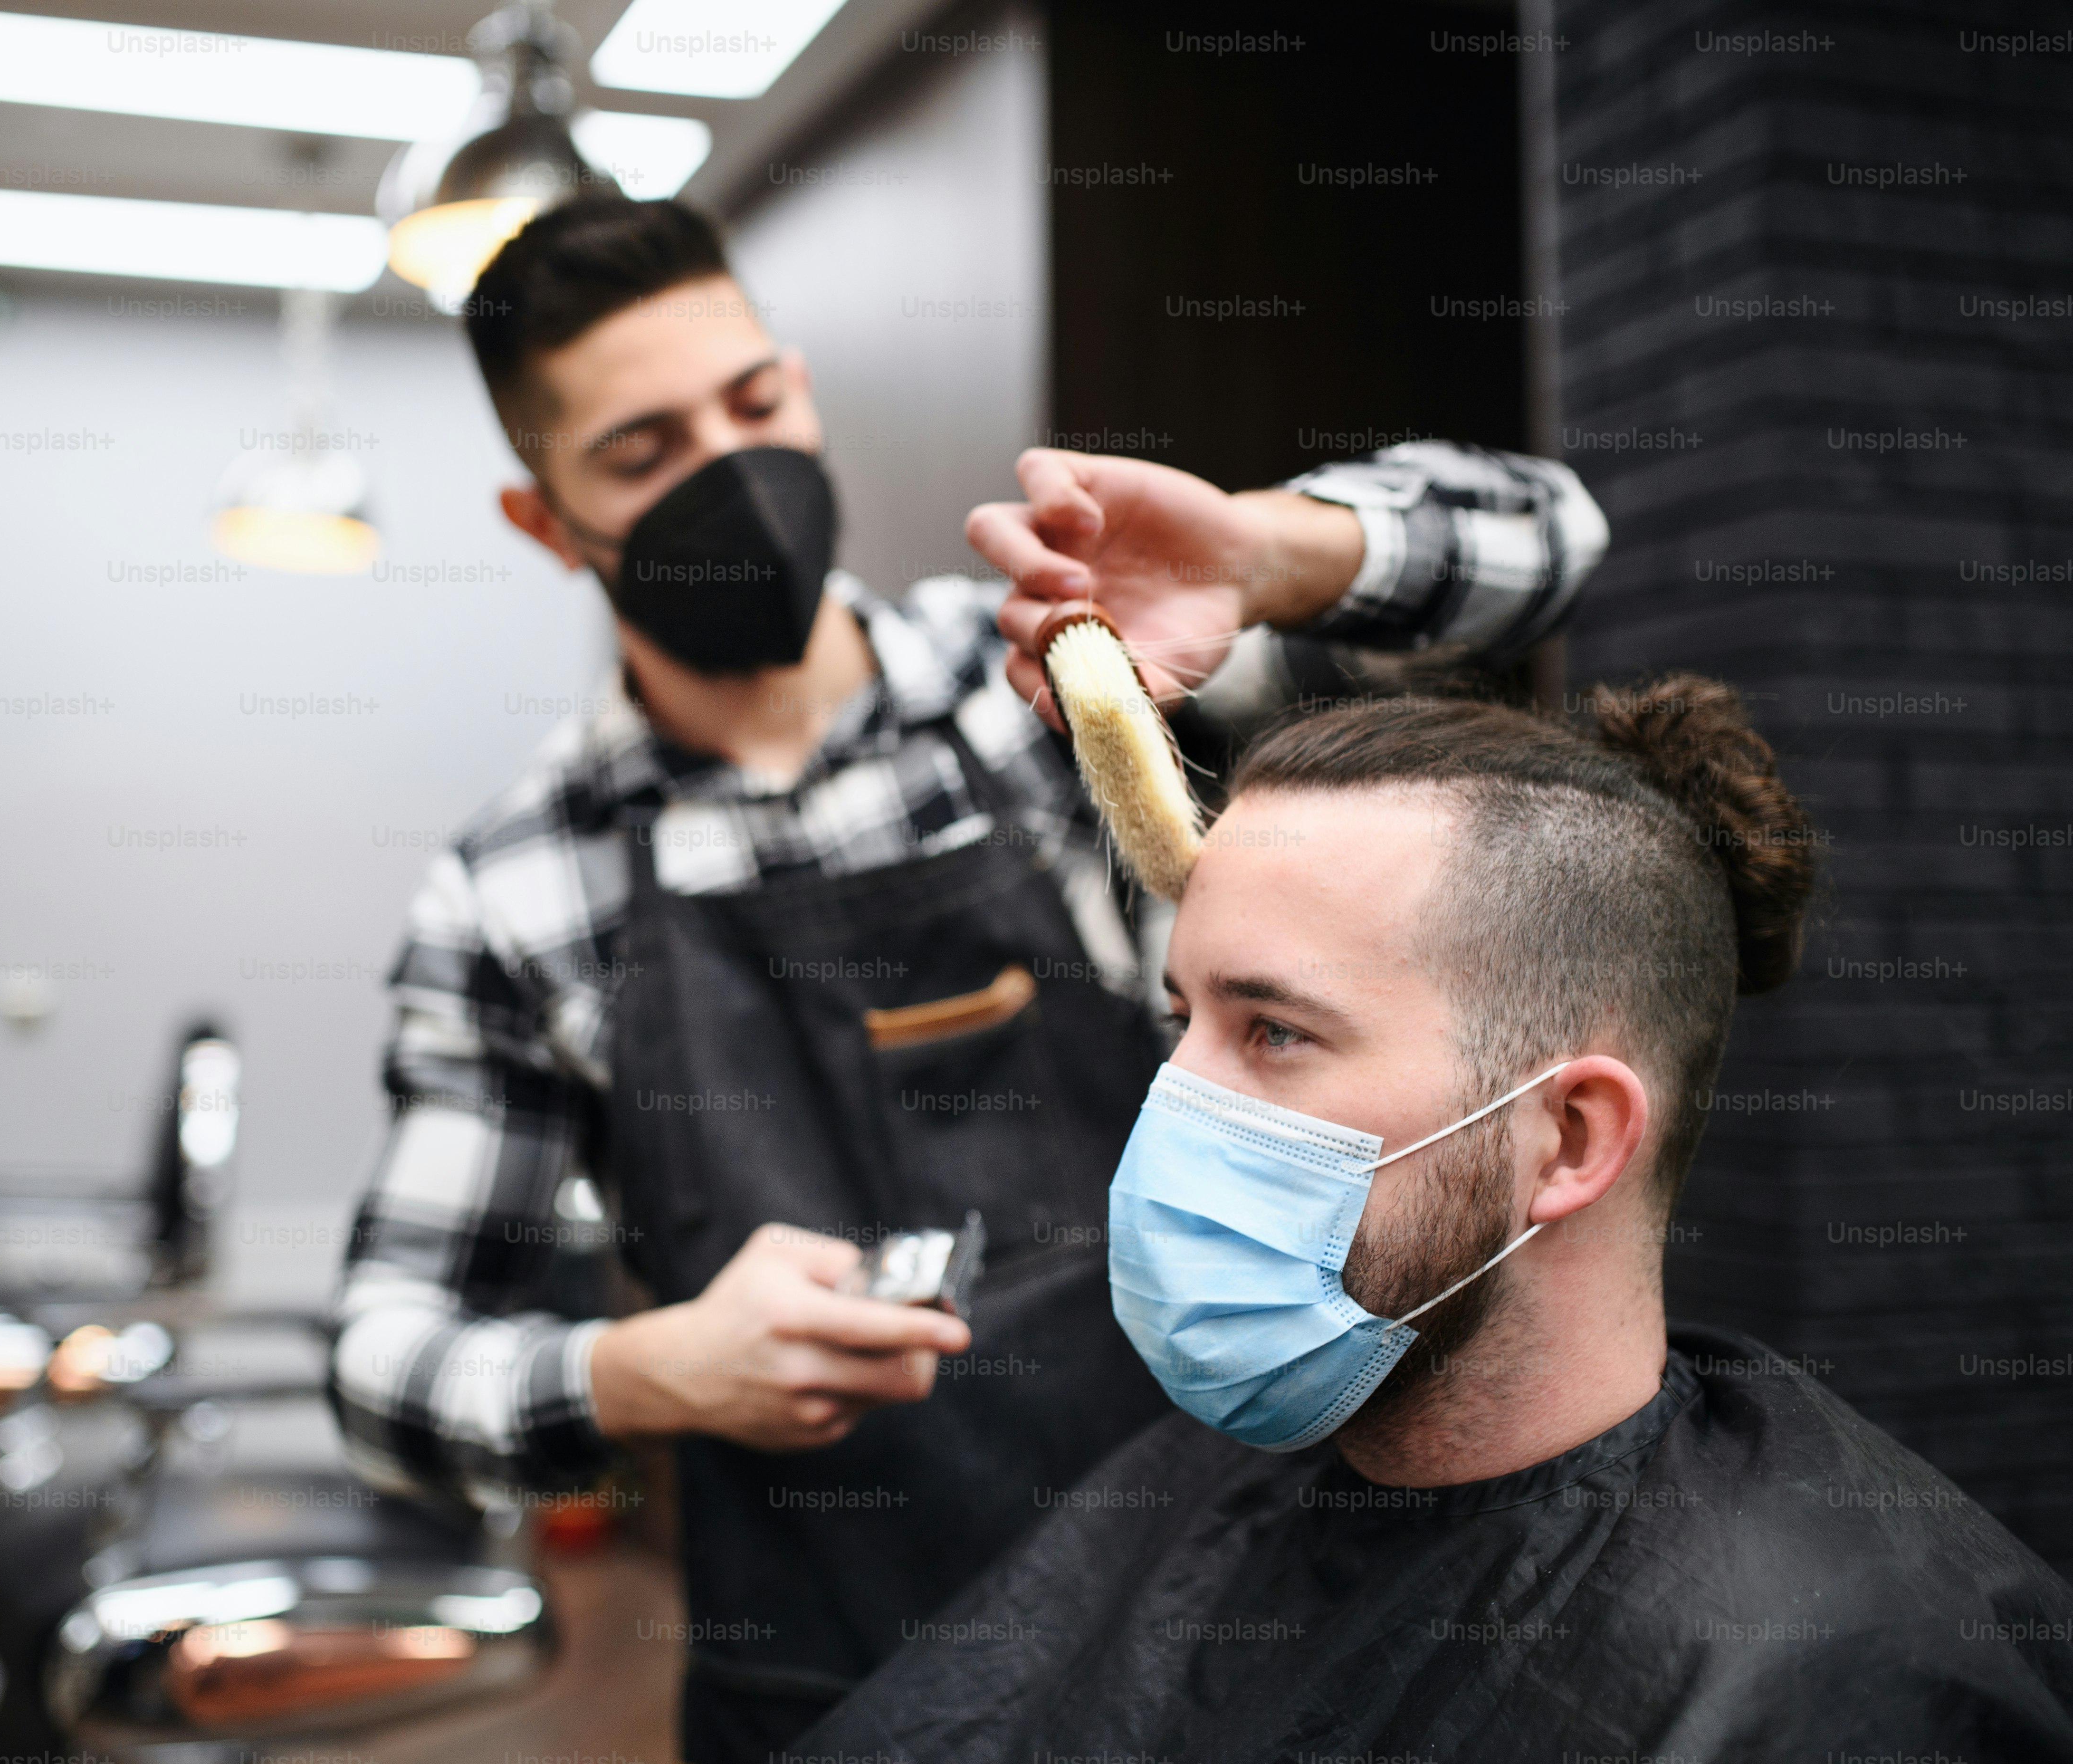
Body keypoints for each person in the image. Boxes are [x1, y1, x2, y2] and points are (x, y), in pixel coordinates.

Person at [326, 194, 1609, 1762]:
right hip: (830, 1686)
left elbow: (1549, 544)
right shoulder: (525, 889)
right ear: (548, 521)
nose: (733, 469)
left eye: (754, 403)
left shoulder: (1054, 693)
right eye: (643, 453)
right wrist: (644, 1370)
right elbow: (385, 1366)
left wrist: (1268, 551)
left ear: (798, 381)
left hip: (1218, 1607)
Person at [798, 679, 2073, 1760]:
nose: (1170, 1110)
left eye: (1273, 1031)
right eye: (1184, 1020)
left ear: (1567, 1140)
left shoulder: (1828, 1678)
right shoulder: (1194, 1504)